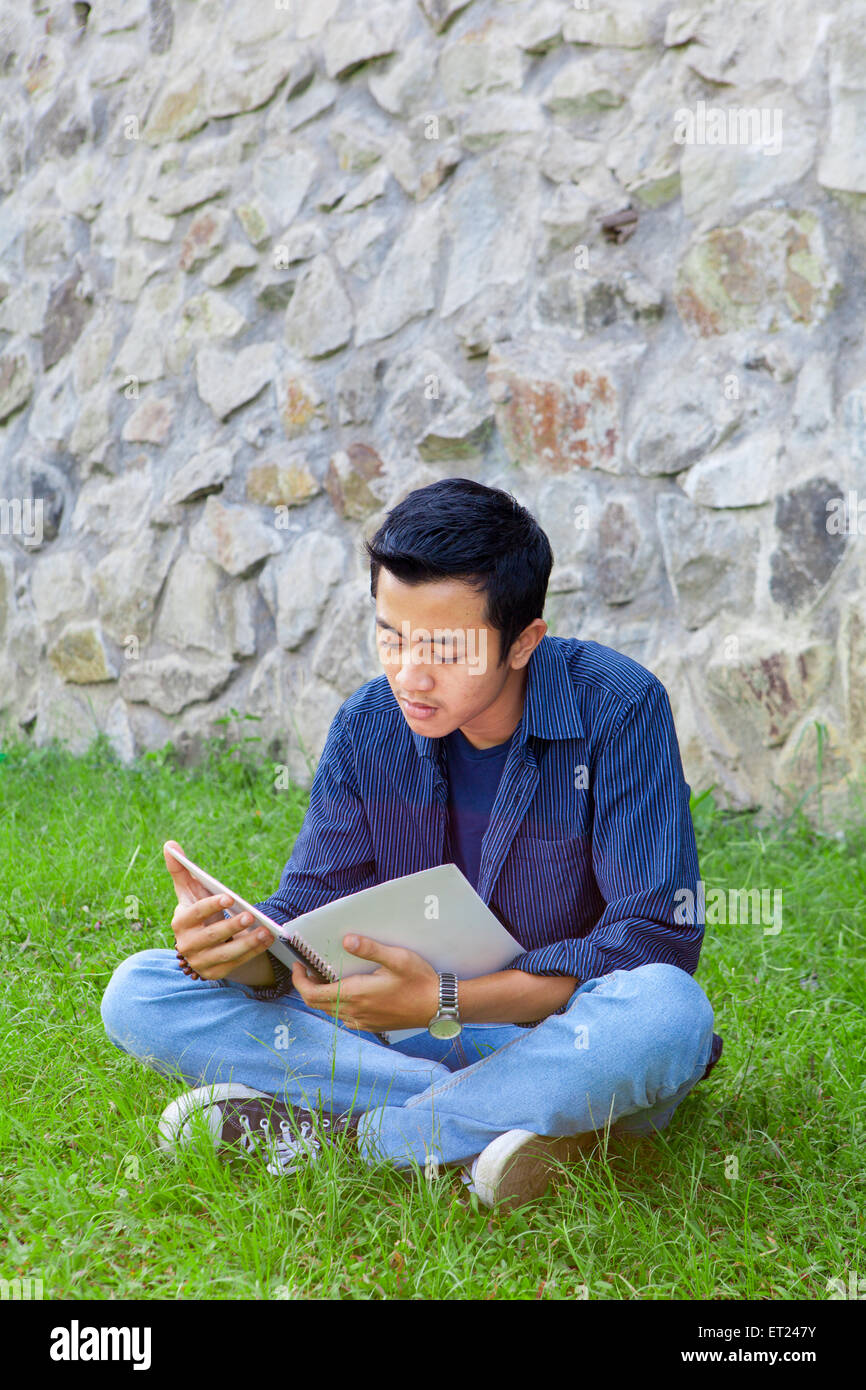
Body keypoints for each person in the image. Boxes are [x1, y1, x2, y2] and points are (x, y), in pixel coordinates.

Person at [100, 477, 722, 1209]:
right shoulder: (368, 724)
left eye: (444, 650)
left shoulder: (618, 709)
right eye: (390, 637)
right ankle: (500, 1127)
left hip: (551, 1037)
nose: (408, 673)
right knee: (142, 990)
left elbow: (653, 940)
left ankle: (360, 1137)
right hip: (389, 1035)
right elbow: (311, 910)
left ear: (523, 642)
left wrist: (444, 1000)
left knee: (668, 1014)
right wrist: (242, 957)